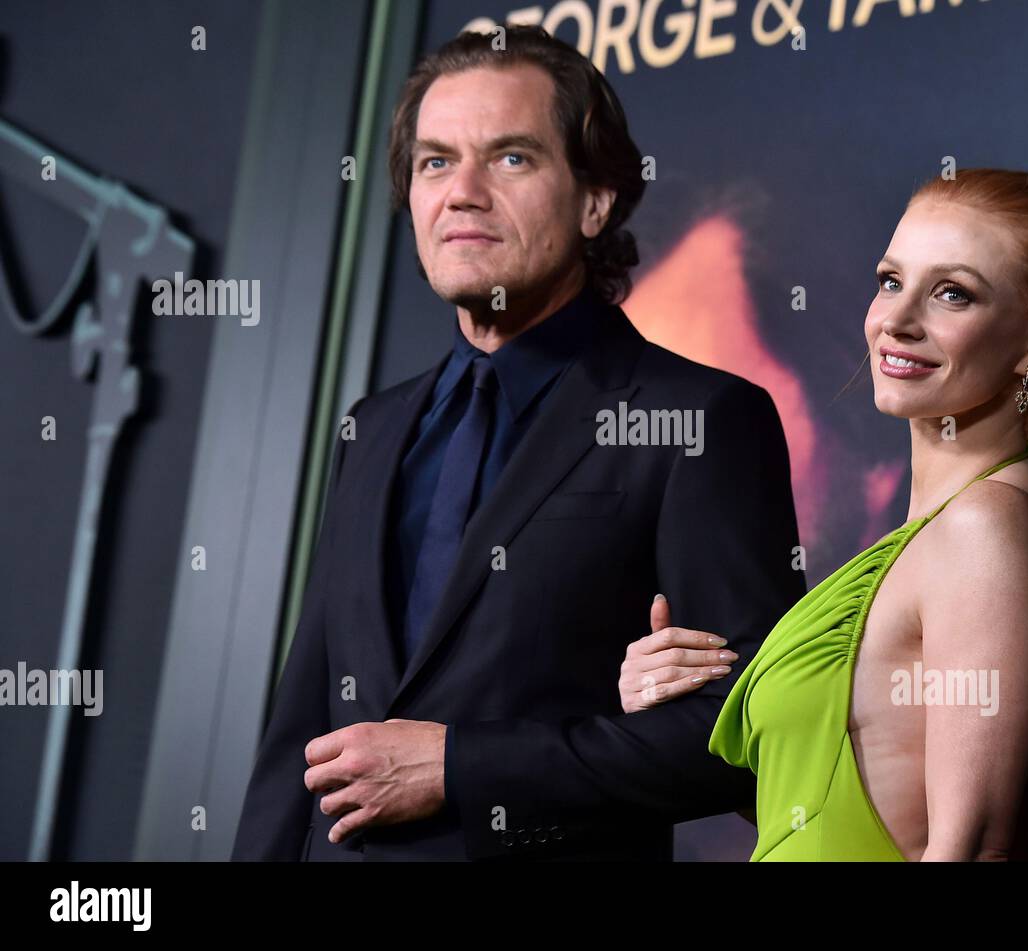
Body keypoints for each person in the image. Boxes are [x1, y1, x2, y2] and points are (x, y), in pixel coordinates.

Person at [231, 25, 803, 862]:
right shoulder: (372, 428)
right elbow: (298, 738)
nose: (461, 192)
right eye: (435, 162)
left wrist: (462, 765)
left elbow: (747, 736)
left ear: (595, 200)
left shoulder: (702, 419)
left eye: (510, 159)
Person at [621, 169, 1028, 861]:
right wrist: (668, 699)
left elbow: (970, 852)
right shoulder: (935, 537)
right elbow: (823, 817)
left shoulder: (982, 528)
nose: (896, 321)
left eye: (952, 293)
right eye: (889, 281)